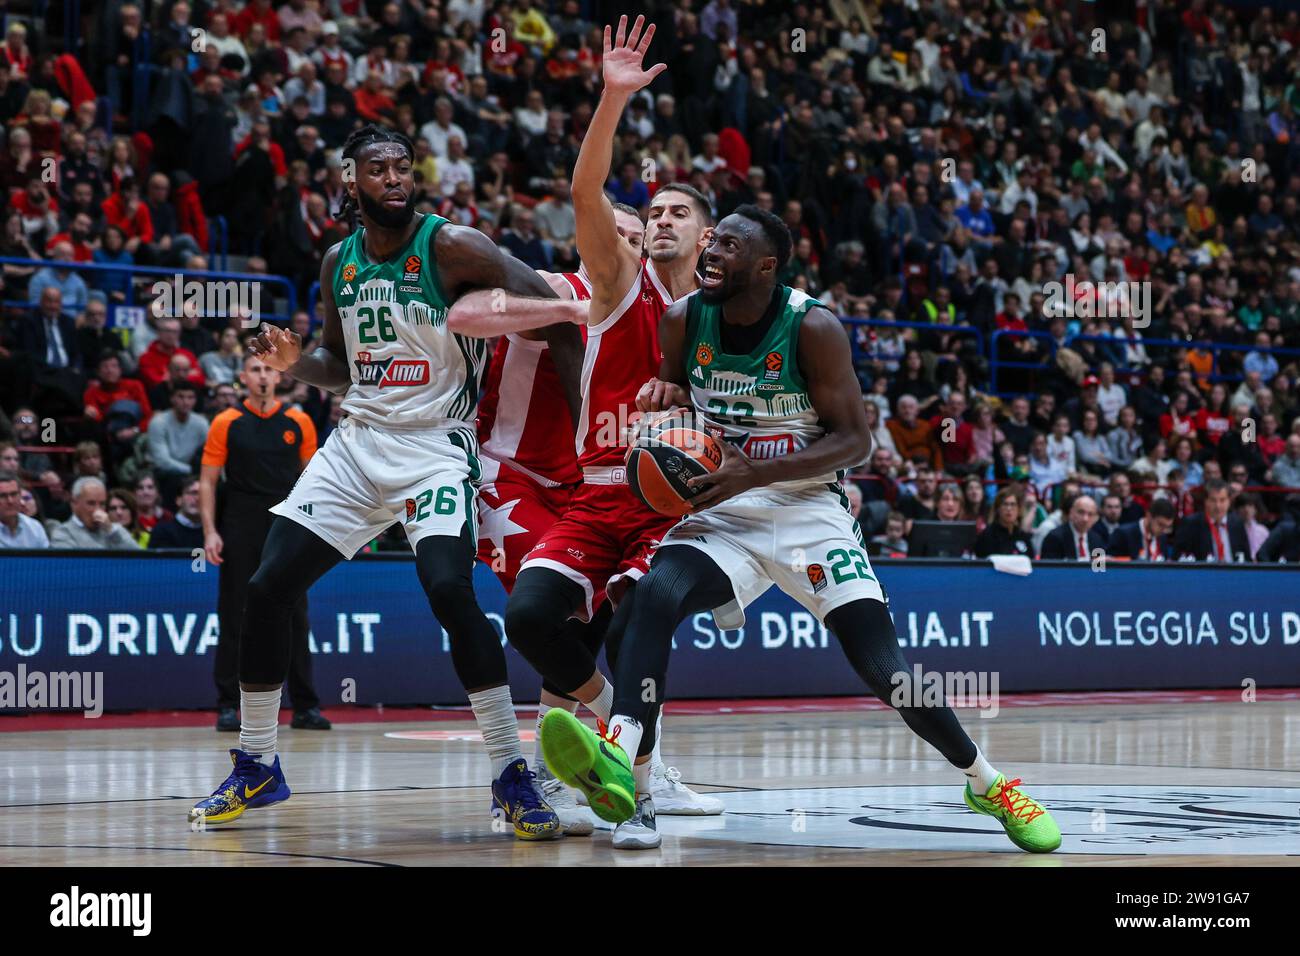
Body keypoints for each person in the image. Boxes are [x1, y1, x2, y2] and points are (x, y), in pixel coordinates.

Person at [539, 167, 1061, 854]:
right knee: (648, 596)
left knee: (886, 669)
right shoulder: (681, 319)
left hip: (809, 507)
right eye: (710, 243)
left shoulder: (813, 327)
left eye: (725, 245)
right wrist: (664, 398)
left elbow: (856, 440)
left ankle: (986, 782)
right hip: (728, 504)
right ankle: (627, 764)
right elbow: (674, 389)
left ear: (765, 265)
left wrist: (754, 469)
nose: (710, 253)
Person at [188, 125, 585, 840]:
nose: (396, 178)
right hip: (358, 442)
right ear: (351, 181)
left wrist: (585, 427)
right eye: (379, 169)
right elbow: (340, 367)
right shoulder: (338, 259)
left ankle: (509, 772)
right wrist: (295, 361)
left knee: (447, 589)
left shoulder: (454, 246)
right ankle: (257, 761)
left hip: (435, 446)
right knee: (265, 586)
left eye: (405, 166)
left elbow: (557, 313)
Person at [501, 17, 723, 850]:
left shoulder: (718, 324)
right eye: (650, 213)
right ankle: (618, 742)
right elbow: (586, 192)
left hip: (672, 505)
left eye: (674, 214)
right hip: (594, 498)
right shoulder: (620, 285)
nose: (656, 223)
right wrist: (613, 98)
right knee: (528, 617)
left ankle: (639, 787)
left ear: (708, 238)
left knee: (639, 625)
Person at [201, 351, 327, 733]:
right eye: (256, 369)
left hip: (287, 526)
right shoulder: (227, 421)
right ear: (243, 376)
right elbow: (207, 481)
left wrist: (316, 528)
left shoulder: (298, 420)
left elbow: (313, 480)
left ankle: (305, 706)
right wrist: (210, 531)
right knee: (234, 615)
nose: (262, 376)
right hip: (240, 526)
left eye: (269, 370)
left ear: (280, 377)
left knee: (296, 616)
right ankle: (227, 705)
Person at [48, 476, 141, 549]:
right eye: (91, 503)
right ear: (74, 504)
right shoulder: (63, 533)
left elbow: (140, 561)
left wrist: (112, 532)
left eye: (102, 504)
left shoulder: (115, 530)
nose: (97, 510)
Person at [1173, 478, 1253, 562]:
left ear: (1229, 501)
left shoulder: (1237, 523)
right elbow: (1179, 558)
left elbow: (1246, 558)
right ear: (1205, 501)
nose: (1218, 506)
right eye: (1213, 500)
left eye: (1222, 500)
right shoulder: (1191, 524)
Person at [1038, 493, 1106, 561]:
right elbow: (1050, 569)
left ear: (1095, 518)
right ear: (1071, 513)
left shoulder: (1097, 539)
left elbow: (1099, 568)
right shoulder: (1055, 537)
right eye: (1081, 512)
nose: (1085, 519)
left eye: (1090, 514)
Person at [1106, 498, 1175, 561]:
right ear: (1149, 515)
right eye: (1160, 524)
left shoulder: (1162, 537)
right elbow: (1108, 562)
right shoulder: (1123, 534)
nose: (1164, 530)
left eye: (1167, 527)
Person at [973, 486, 1032, 557]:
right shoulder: (987, 535)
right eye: (1005, 504)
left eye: (1013, 504)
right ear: (998, 509)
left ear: (1019, 509)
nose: (1009, 508)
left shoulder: (1023, 537)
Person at [148, 475, 205, 549]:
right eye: (193, 493)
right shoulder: (162, 531)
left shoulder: (213, 534)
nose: (197, 498)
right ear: (179, 500)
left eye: (203, 494)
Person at [0, 470, 48, 548]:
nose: (10, 501)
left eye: (14, 494)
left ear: (20, 495)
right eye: (2, 496)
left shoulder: (35, 527)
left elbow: (46, 559)